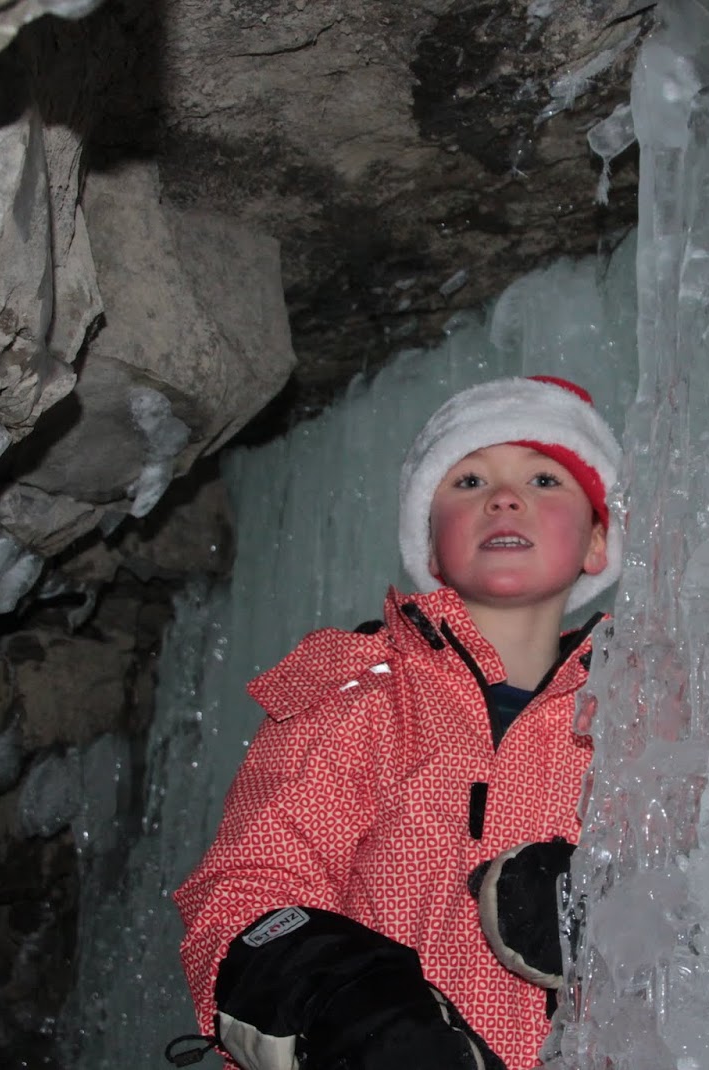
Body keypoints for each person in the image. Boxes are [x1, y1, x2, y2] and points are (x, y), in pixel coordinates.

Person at [171, 376, 624, 1070]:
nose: (505, 498)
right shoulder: (358, 698)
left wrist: (602, 909)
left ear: (597, 541)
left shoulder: (643, 719)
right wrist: (343, 1007)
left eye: (543, 477)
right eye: (469, 481)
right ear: (431, 548)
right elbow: (242, 893)